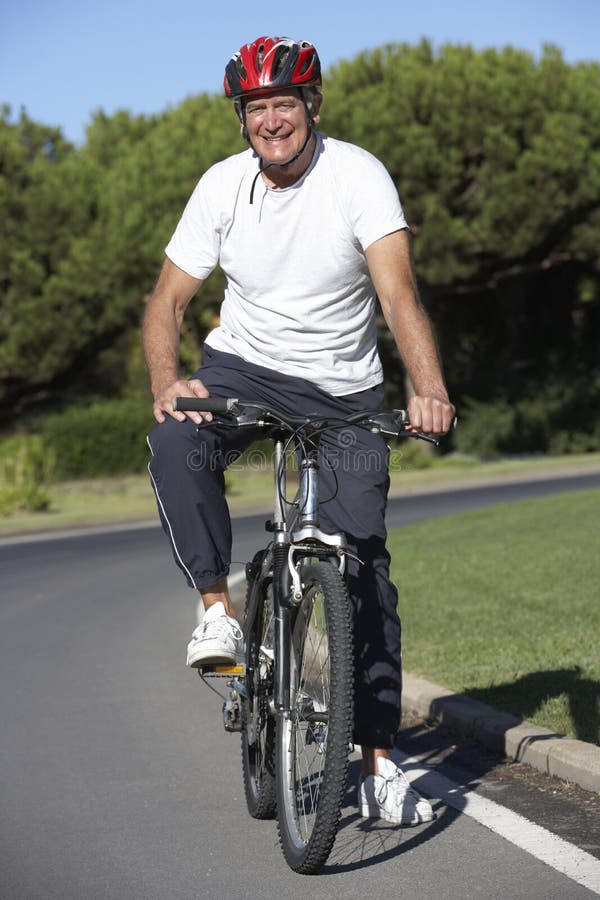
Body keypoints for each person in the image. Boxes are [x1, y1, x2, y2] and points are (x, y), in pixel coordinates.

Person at [143, 36, 455, 826]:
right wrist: (167, 382)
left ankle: (379, 766)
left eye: (284, 103)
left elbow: (399, 295)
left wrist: (428, 389)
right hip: (242, 366)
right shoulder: (222, 186)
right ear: (242, 118)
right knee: (177, 439)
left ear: (312, 106)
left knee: (364, 569)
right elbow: (167, 301)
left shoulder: (359, 177)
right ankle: (217, 610)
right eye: (256, 108)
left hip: (343, 388)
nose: (271, 120)